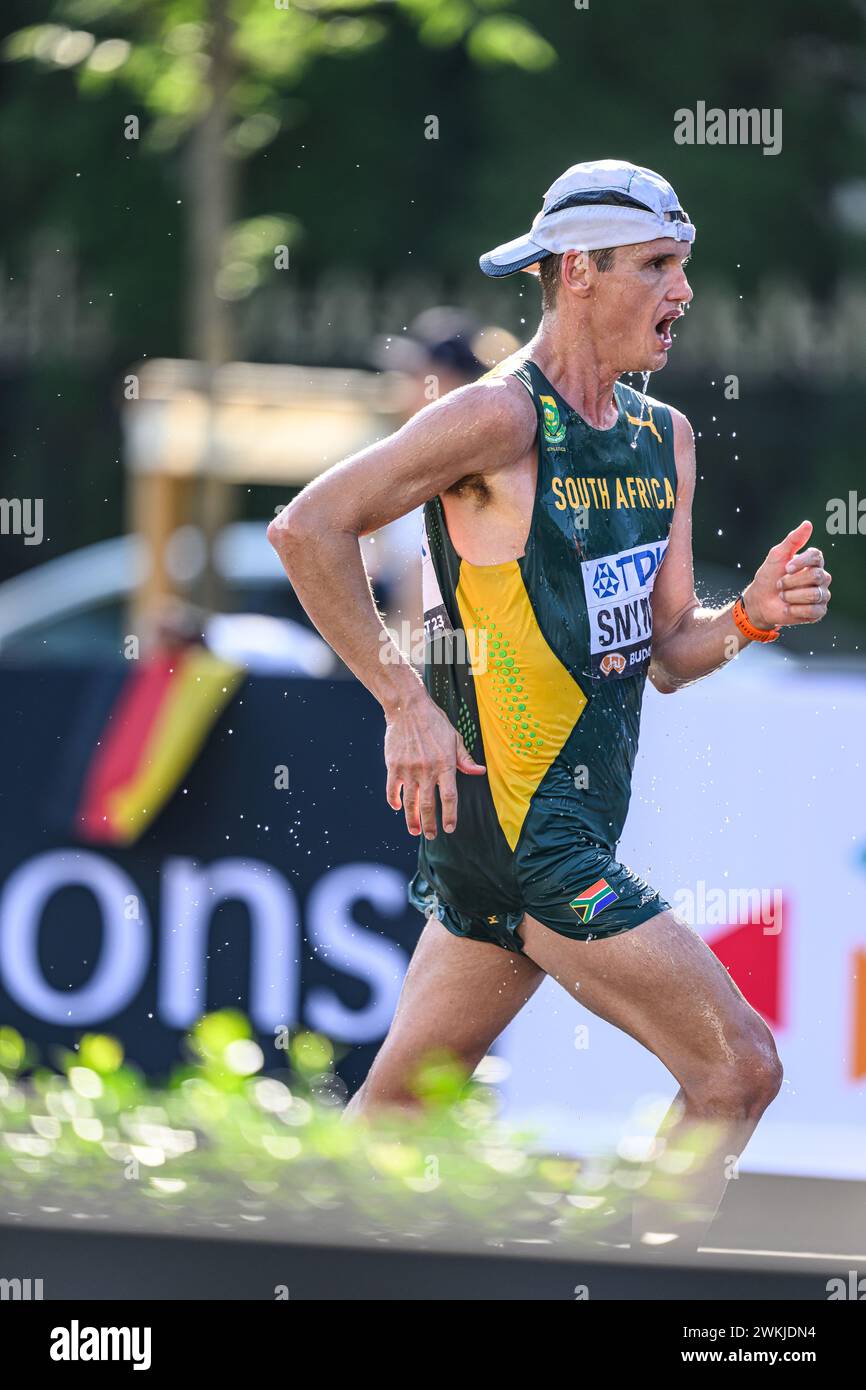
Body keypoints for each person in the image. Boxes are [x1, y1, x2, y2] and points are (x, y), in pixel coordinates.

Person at [267, 159, 832, 1252]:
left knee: (393, 1116)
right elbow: (305, 527)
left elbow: (668, 654)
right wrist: (400, 700)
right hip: (539, 838)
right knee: (737, 1069)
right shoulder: (492, 416)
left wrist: (750, 616)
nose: (681, 293)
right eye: (657, 267)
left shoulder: (660, 437)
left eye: (684, 267)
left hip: (511, 828)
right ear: (577, 272)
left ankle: (256, 1277)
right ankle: (639, 1289)